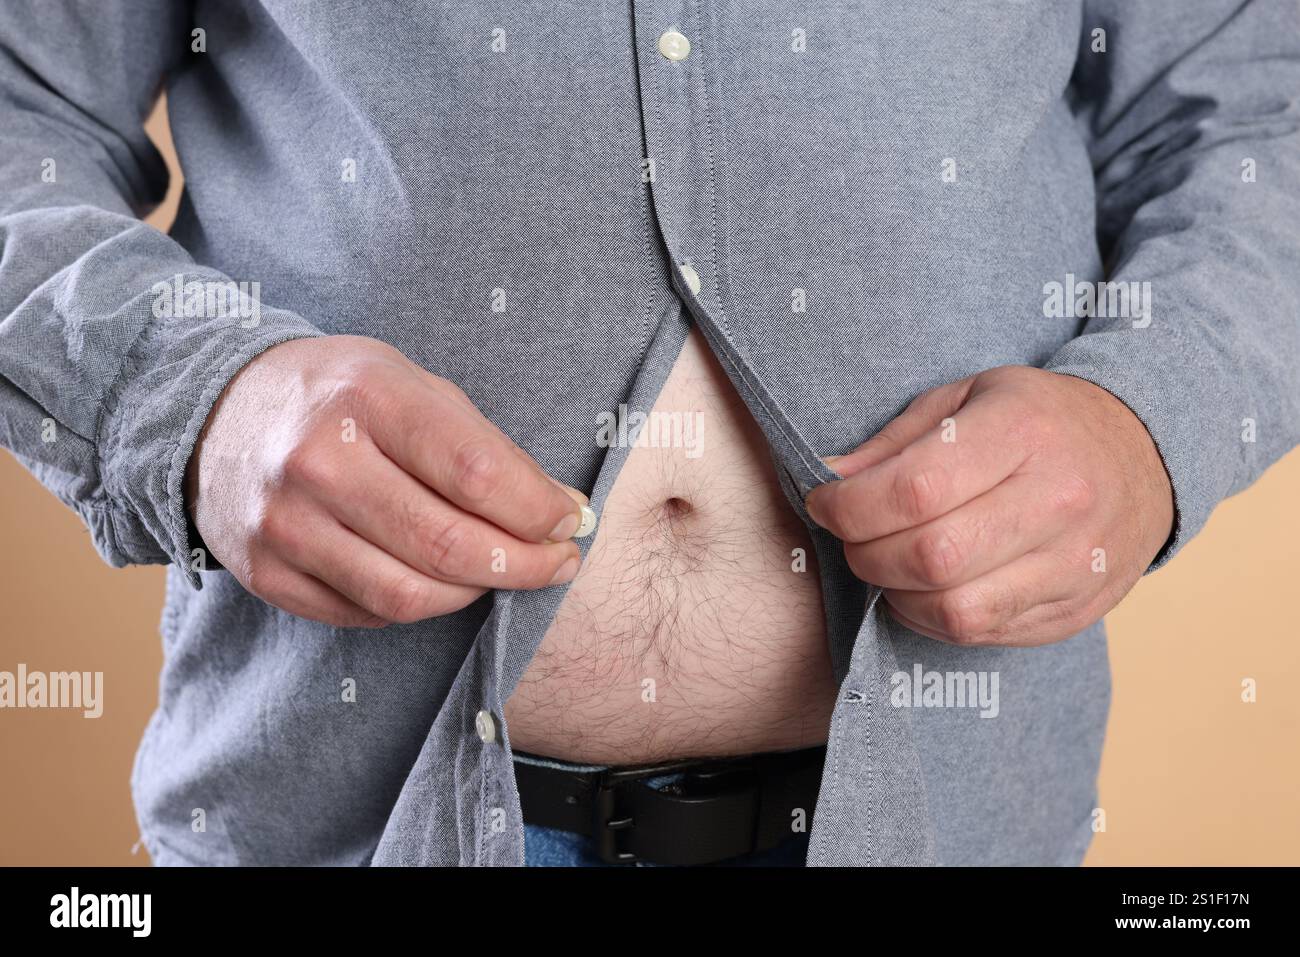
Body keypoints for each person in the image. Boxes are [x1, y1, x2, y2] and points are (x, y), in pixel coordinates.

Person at [1, 1, 1296, 866]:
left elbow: (1259, 121)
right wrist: (197, 404)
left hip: (951, 818)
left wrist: (1147, 421)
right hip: (347, 826)